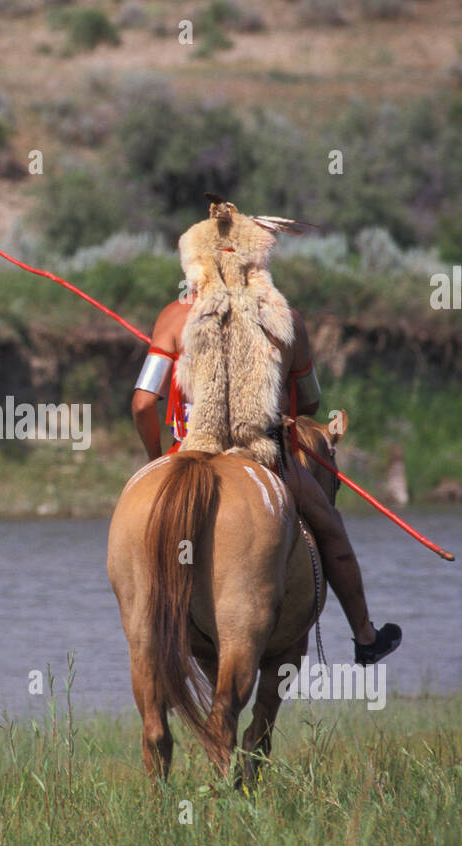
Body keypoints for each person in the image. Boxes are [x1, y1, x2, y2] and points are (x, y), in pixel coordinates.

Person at [130, 199, 401, 666]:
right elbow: (311, 402)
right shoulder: (287, 320)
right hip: (265, 457)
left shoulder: (173, 318)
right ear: (257, 261)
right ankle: (364, 635)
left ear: (198, 262)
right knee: (331, 531)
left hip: (186, 450)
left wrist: (157, 458)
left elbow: (141, 403)